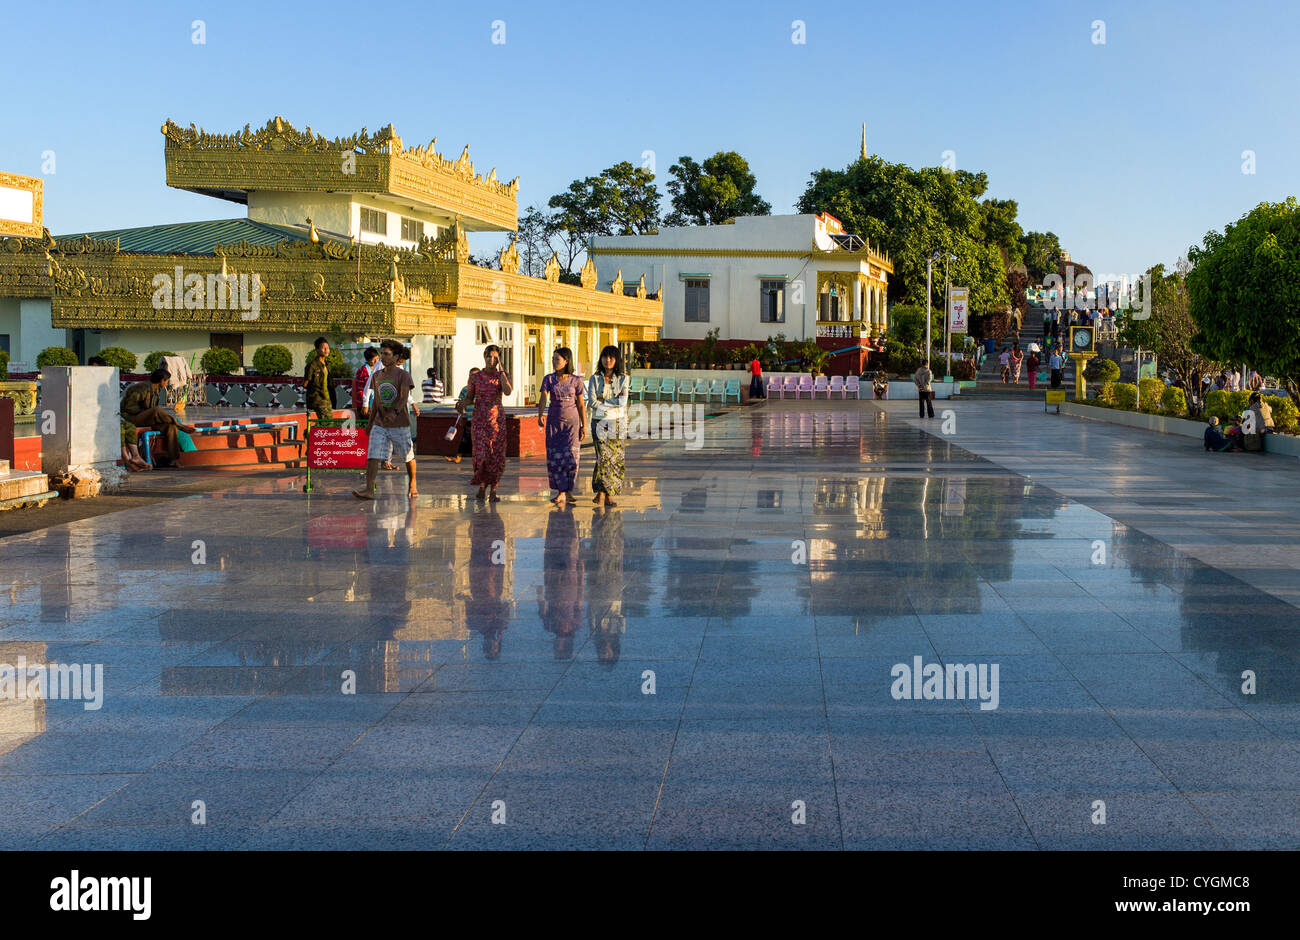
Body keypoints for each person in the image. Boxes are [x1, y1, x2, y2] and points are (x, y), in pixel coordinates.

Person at [352, 340, 419, 500]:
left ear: (396, 357)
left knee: (407, 456)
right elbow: (377, 401)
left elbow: (403, 398)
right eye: (382, 353)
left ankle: (413, 483)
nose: (383, 357)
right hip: (380, 423)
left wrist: (394, 413)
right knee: (373, 455)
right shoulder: (377, 375)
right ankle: (369, 489)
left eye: (387, 354)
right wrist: (370, 422)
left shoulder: (403, 375)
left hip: (399, 423)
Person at [538, 346, 586, 508]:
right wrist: (540, 415)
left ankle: (569, 489)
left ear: (566, 361)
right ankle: (560, 492)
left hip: (572, 424)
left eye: (557, 359)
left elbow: (580, 404)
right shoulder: (549, 379)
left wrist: (583, 425)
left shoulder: (576, 381)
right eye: (553, 359)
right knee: (555, 457)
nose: (554, 362)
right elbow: (543, 398)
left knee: (571, 457)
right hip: (554, 422)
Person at [121, 367, 197, 467]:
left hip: (148, 419)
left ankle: (172, 459)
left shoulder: (156, 390)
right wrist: (148, 413)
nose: (167, 383)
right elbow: (128, 408)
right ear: (162, 380)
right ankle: (179, 425)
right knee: (156, 410)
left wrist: (151, 414)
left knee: (171, 428)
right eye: (167, 381)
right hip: (132, 419)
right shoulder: (141, 388)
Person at [465, 346, 512, 501]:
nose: (491, 361)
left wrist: (502, 369)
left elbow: (507, 391)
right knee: (481, 454)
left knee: (496, 455)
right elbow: (469, 397)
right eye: (489, 357)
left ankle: (494, 489)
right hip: (479, 419)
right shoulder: (476, 377)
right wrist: (461, 404)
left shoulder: (501, 376)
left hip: (496, 421)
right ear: (484, 357)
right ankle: (483, 484)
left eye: (495, 358)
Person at [586, 345, 629, 508]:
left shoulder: (624, 379)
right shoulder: (594, 378)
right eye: (605, 356)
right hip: (599, 422)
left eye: (611, 357)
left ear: (616, 359)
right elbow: (592, 402)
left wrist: (603, 401)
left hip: (617, 422)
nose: (608, 360)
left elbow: (623, 402)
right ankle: (603, 491)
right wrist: (612, 402)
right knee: (603, 458)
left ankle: (606, 493)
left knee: (615, 459)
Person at [447, 367, 481, 464]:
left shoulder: (482, 389)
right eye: (471, 375)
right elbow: (460, 404)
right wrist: (461, 415)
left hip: (481, 419)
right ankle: (458, 457)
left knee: (478, 440)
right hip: (470, 418)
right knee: (465, 438)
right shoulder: (465, 390)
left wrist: (471, 401)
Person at [304, 336, 334, 424]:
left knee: (327, 422)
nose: (326, 350)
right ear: (317, 350)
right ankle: (311, 434)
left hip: (327, 397)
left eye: (327, 348)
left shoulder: (327, 364)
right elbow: (306, 383)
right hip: (317, 398)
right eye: (323, 348)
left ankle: (309, 433)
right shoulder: (312, 365)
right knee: (327, 423)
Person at [351, 347, 379, 419]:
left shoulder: (378, 369)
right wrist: (364, 405)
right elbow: (360, 390)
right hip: (365, 405)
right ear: (368, 360)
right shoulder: (362, 371)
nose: (376, 361)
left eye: (377, 358)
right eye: (374, 360)